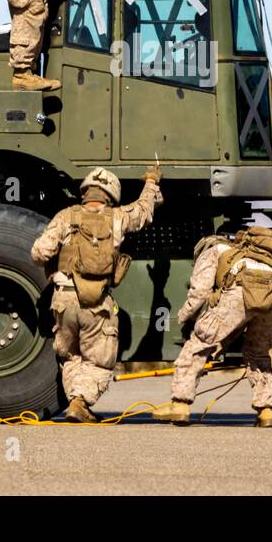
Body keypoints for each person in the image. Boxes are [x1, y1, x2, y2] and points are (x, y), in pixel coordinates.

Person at [30, 165, 161, 422]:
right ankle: (80, 402)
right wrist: (151, 182)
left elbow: (38, 253)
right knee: (99, 359)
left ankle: (76, 402)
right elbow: (144, 211)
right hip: (97, 301)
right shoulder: (118, 217)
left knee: (70, 355)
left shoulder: (65, 216)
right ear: (111, 194)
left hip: (63, 300)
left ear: (85, 191)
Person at [153, 218, 272, 427]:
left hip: (240, 293)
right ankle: (265, 411)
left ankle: (179, 405)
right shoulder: (259, 255)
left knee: (197, 345)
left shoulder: (215, 249)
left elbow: (199, 293)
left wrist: (184, 317)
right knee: (258, 353)